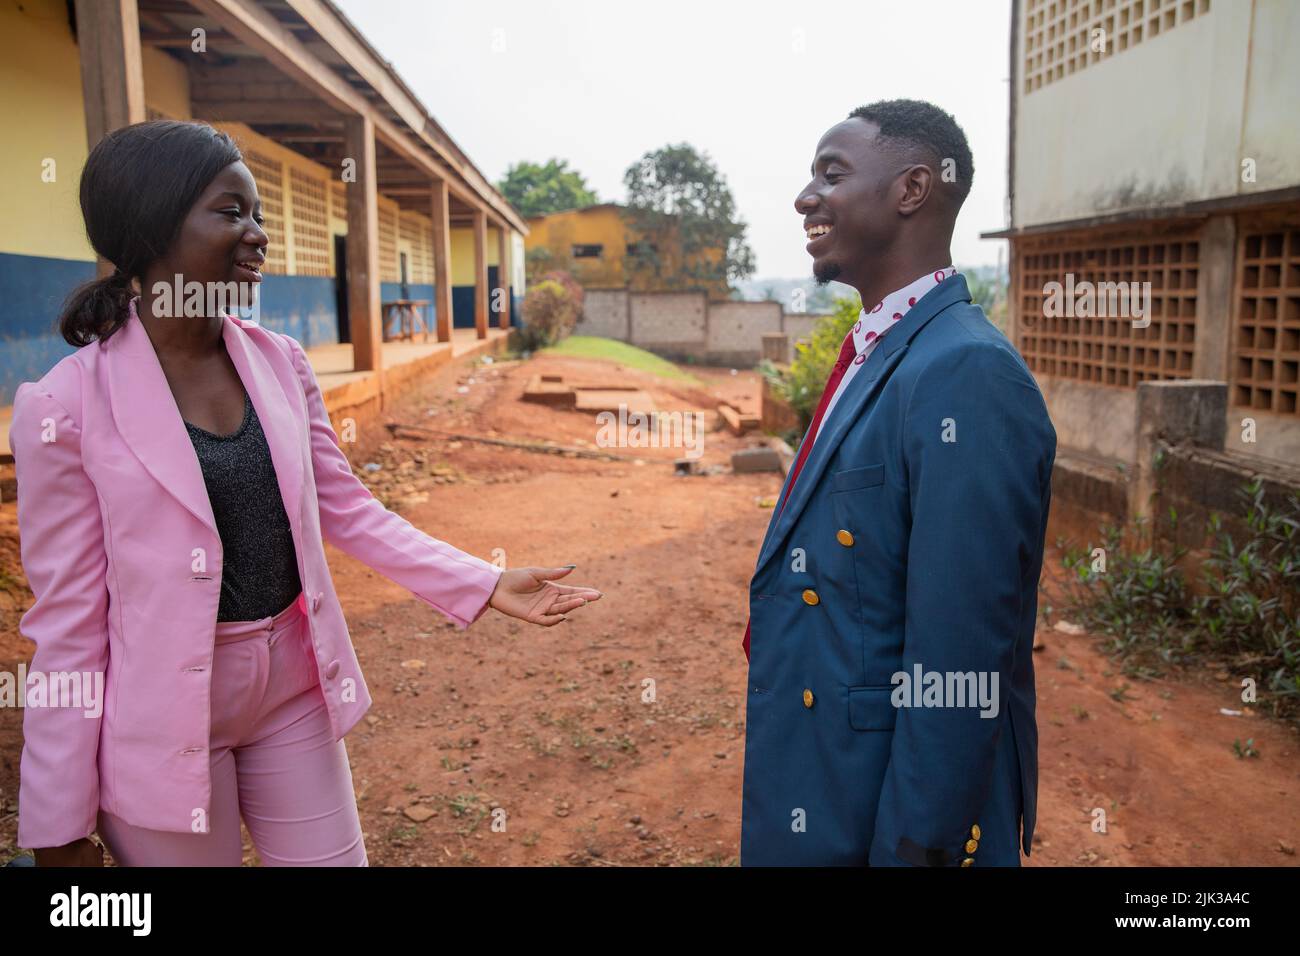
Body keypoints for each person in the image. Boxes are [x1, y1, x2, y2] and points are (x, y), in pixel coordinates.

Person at [11, 120, 602, 867]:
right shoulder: (64, 407)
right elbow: (67, 631)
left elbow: (347, 509)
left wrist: (482, 582)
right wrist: (57, 825)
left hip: (292, 689)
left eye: (258, 214)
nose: (258, 235)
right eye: (231, 213)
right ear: (151, 227)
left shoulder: (281, 364)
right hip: (157, 719)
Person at [740, 100, 1056, 866]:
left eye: (832, 173)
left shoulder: (965, 373)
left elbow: (957, 663)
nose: (805, 197)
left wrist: (918, 848)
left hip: (884, 807)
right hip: (823, 777)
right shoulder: (883, 350)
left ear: (912, 189)